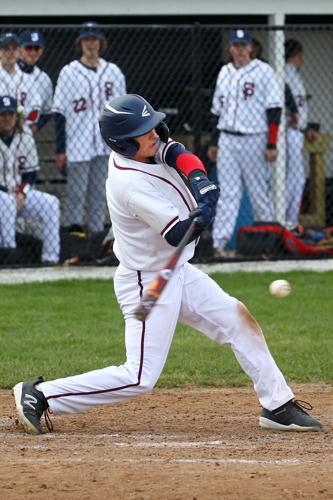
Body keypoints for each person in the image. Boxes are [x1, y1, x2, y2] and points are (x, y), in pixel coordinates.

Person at [13, 94, 322, 435]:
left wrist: (202, 183)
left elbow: (178, 153)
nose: (154, 134)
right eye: (144, 131)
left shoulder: (148, 146)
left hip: (177, 272)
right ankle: (41, 394)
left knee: (237, 319)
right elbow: (178, 234)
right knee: (140, 377)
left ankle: (277, 404)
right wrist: (202, 216)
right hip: (148, 280)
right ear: (124, 144)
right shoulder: (129, 183)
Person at [208, 29, 281, 258]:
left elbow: (274, 109)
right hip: (228, 138)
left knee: (259, 192)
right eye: (235, 45)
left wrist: (271, 143)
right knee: (228, 194)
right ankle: (218, 246)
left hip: (254, 138)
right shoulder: (225, 72)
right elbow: (216, 112)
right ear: (230, 48)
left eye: (243, 45)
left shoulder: (263, 71)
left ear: (251, 48)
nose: (239, 50)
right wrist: (214, 141)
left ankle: (267, 243)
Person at [52, 21, 127, 235]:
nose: (90, 44)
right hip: (77, 144)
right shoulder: (68, 72)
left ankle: (94, 237)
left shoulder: (113, 71)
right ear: (80, 43)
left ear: (100, 42)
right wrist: (60, 149)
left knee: (99, 194)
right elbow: (59, 112)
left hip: (106, 144)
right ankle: (74, 240)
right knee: (76, 194)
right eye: (86, 39)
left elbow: (123, 111)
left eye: (94, 39)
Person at [0, 95, 60, 264]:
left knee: (51, 203)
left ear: (16, 116)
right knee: (6, 203)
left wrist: (22, 193)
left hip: (19, 194)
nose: (7, 119)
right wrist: (10, 194)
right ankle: (9, 256)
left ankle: (50, 259)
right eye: (3, 115)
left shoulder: (25, 138)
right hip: (2, 195)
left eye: (10, 114)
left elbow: (31, 174)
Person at [284, 39, 319, 229]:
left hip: (296, 132)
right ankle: (289, 221)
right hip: (289, 132)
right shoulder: (287, 74)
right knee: (293, 178)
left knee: (295, 178)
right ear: (298, 55)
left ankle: (291, 220)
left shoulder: (294, 76)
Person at [0, 32, 42, 128]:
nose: (10, 53)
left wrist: (26, 124)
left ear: (19, 52)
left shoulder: (28, 80)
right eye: (6, 49)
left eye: (14, 49)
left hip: (22, 130)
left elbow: (35, 109)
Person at [17, 30, 53, 134]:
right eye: (28, 48)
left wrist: (36, 127)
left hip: (27, 134)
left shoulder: (44, 79)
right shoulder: (8, 72)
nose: (33, 52)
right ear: (19, 49)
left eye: (37, 48)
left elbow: (47, 112)